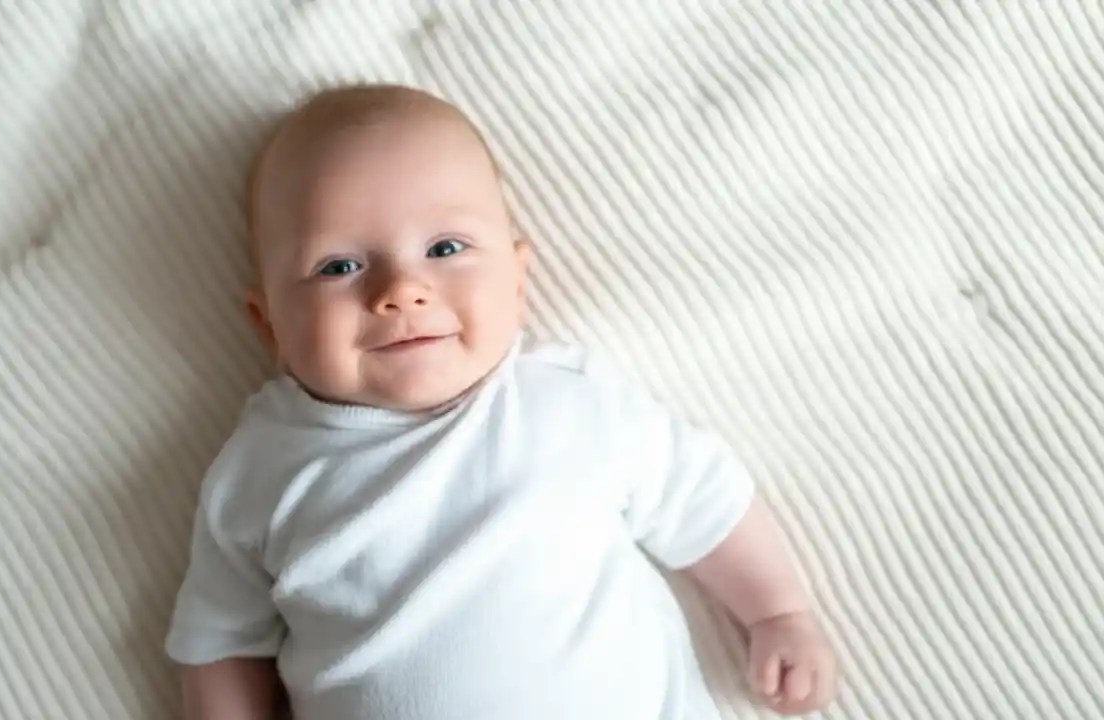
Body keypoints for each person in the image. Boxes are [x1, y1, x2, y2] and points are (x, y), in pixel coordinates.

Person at [165, 84, 838, 719]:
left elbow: (703, 498)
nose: (402, 290)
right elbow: (221, 642)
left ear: (518, 281)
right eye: (339, 266)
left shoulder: (565, 403)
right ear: (270, 325)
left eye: (446, 248)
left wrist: (778, 613)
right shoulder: (261, 469)